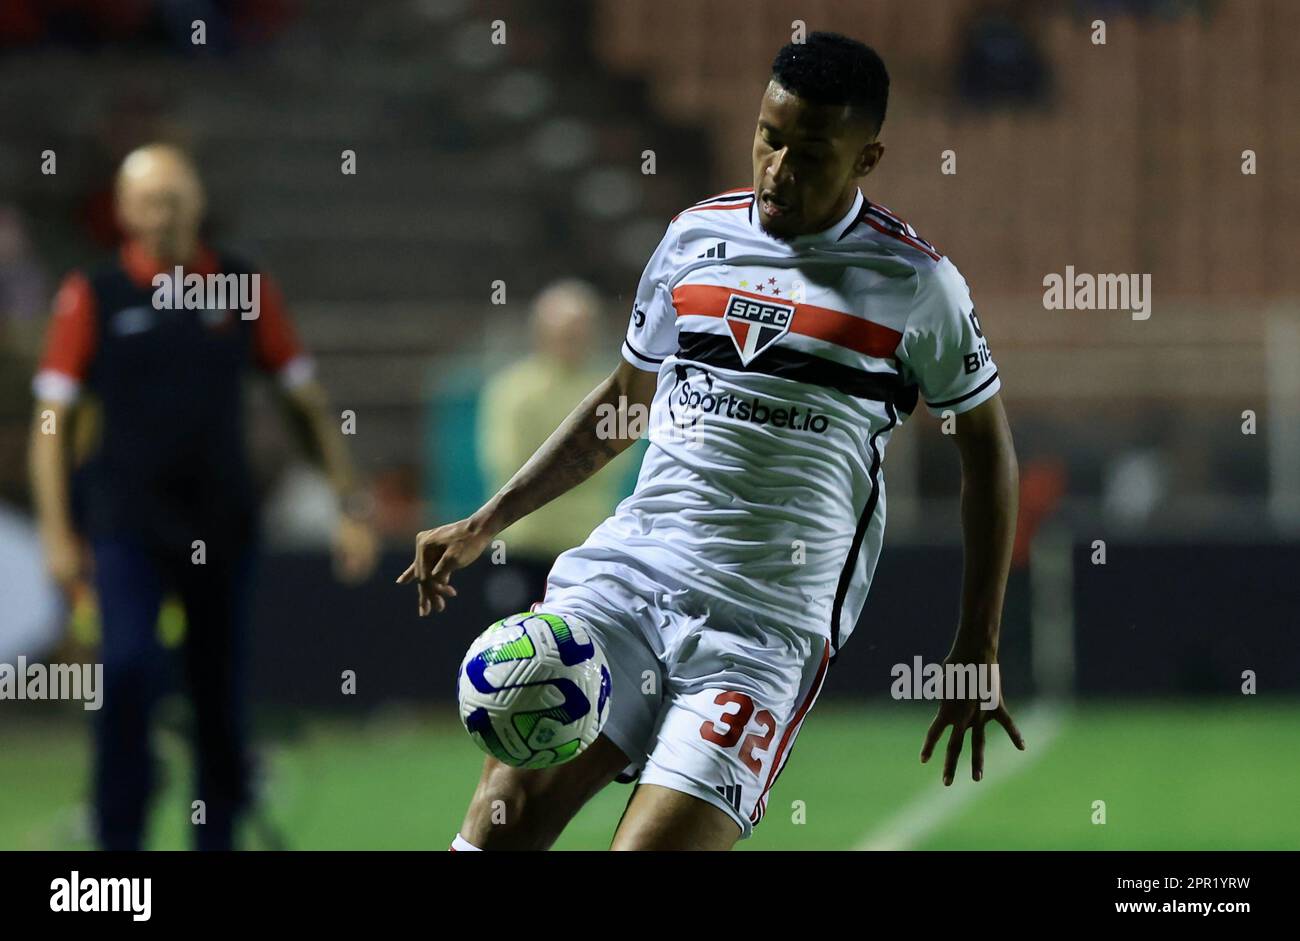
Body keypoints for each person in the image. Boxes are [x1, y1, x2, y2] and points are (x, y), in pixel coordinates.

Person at [399, 32, 1023, 851]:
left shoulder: (916, 285)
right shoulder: (695, 238)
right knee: (496, 827)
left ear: (867, 157)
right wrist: (488, 521)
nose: (778, 168)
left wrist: (976, 639)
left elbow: (987, 452)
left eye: (810, 152)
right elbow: (623, 405)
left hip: (763, 626)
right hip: (625, 579)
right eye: (769, 137)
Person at [28, 143, 376, 850]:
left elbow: (302, 399)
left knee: (220, 696)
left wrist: (350, 501)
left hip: (223, 523)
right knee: (126, 672)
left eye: (176, 198)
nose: (164, 214)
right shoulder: (92, 296)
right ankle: (115, 848)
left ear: (198, 204)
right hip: (124, 525)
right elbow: (50, 422)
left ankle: (214, 840)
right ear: (122, 211)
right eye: (149, 200)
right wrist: (57, 531)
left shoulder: (242, 287)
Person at [476, 279, 624, 602]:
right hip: (525, 548)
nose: (575, 339)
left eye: (582, 329)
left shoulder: (610, 390)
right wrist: (580, 463)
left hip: (587, 547)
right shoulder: (511, 391)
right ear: (542, 333)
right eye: (567, 331)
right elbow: (506, 463)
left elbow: (617, 462)